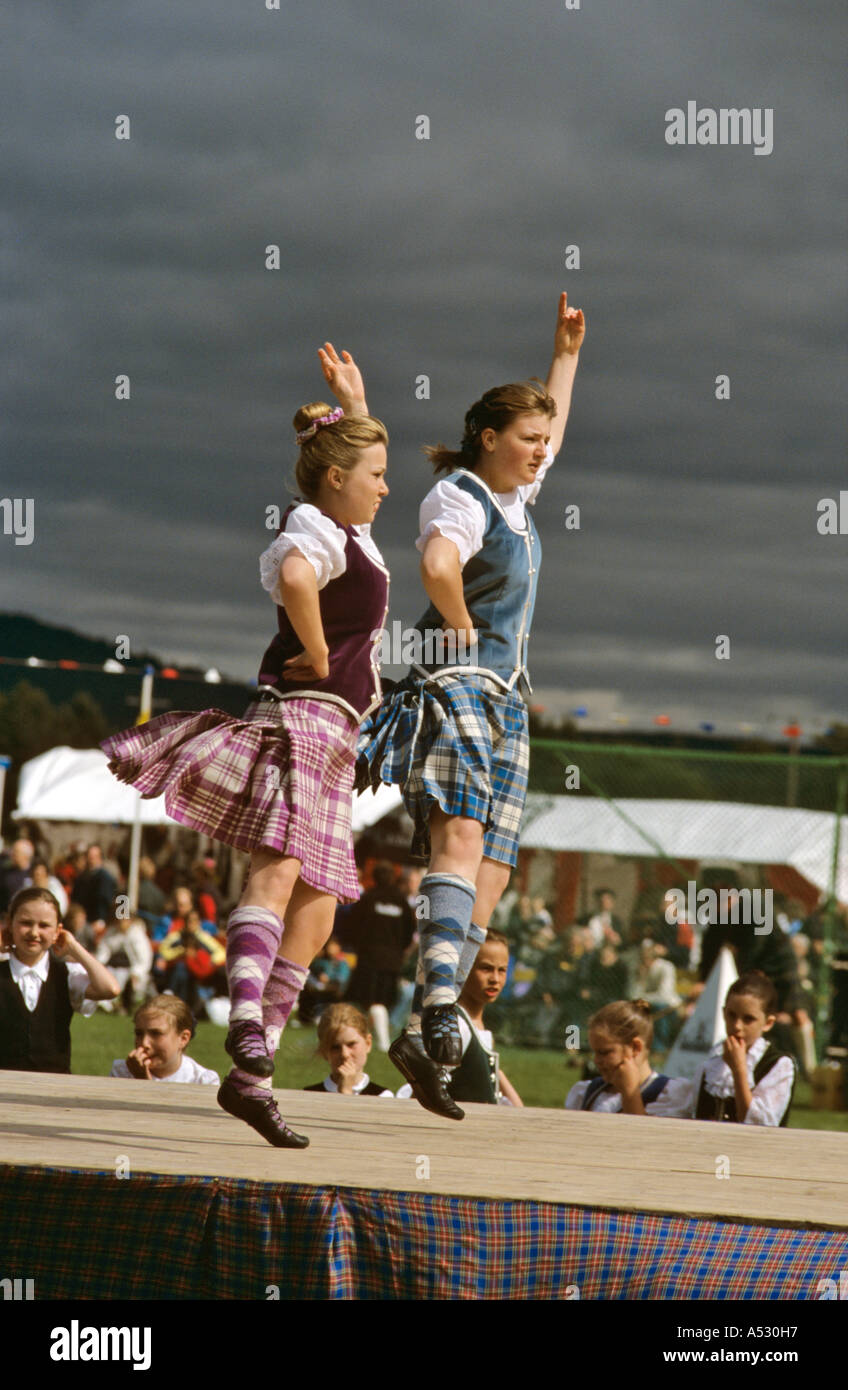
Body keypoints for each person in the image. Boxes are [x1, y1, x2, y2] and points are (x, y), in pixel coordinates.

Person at [101, 360, 390, 1147]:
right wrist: (321, 650)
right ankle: (251, 1037)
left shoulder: (349, 529)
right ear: (335, 478)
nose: (386, 488)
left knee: (321, 904)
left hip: (335, 736)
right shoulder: (316, 529)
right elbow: (296, 575)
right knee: (281, 870)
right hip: (303, 719)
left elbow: (350, 485)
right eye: (376, 474)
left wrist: (357, 406)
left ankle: (250, 1076)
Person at [354, 292, 585, 1118]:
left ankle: (428, 1025)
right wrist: (458, 634)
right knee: (456, 839)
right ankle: (442, 1018)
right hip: (458, 687)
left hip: (508, 702)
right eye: (525, 439)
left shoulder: (515, 497)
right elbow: (440, 568)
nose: (539, 453)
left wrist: (564, 353)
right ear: (488, 440)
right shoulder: (461, 496)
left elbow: (549, 431)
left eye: (541, 441)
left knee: (488, 880)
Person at [0, 887, 120, 1073]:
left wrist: (73, 947)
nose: (34, 932)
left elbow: (110, 989)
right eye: (25, 923)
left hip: (55, 1083)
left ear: (58, 931)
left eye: (44, 926)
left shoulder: (67, 975)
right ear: (9, 924)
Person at [686, 970, 795, 1126]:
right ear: (723, 1013)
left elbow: (760, 1126)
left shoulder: (778, 1065)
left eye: (748, 1019)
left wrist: (739, 1071)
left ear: (768, 1023)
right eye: (731, 1015)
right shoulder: (711, 1063)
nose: (737, 1026)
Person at [565, 999, 690, 1116]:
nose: (596, 1060)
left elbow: (645, 1136)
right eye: (595, 1052)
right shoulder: (588, 1093)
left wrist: (630, 1094)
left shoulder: (668, 1094)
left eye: (604, 1052)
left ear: (635, 1047)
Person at [448, 928, 522, 1105]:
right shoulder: (456, 1025)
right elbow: (424, 1087)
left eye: (502, 970)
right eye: (486, 969)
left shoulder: (477, 1026)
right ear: (462, 969)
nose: (495, 979)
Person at [110, 995, 220, 1084]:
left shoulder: (202, 1081)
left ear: (183, 1038)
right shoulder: (122, 1072)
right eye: (139, 1033)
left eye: (156, 1034)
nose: (144, 1043)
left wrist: (144, 1083)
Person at [303, 1003, 393, 1097]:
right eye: (335, 1047)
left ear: (368, 1043)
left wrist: (346, 1092)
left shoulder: (383, 1096)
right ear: (324, 1051)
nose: (344, 1054)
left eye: (351, 1044)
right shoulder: (309, 1096)